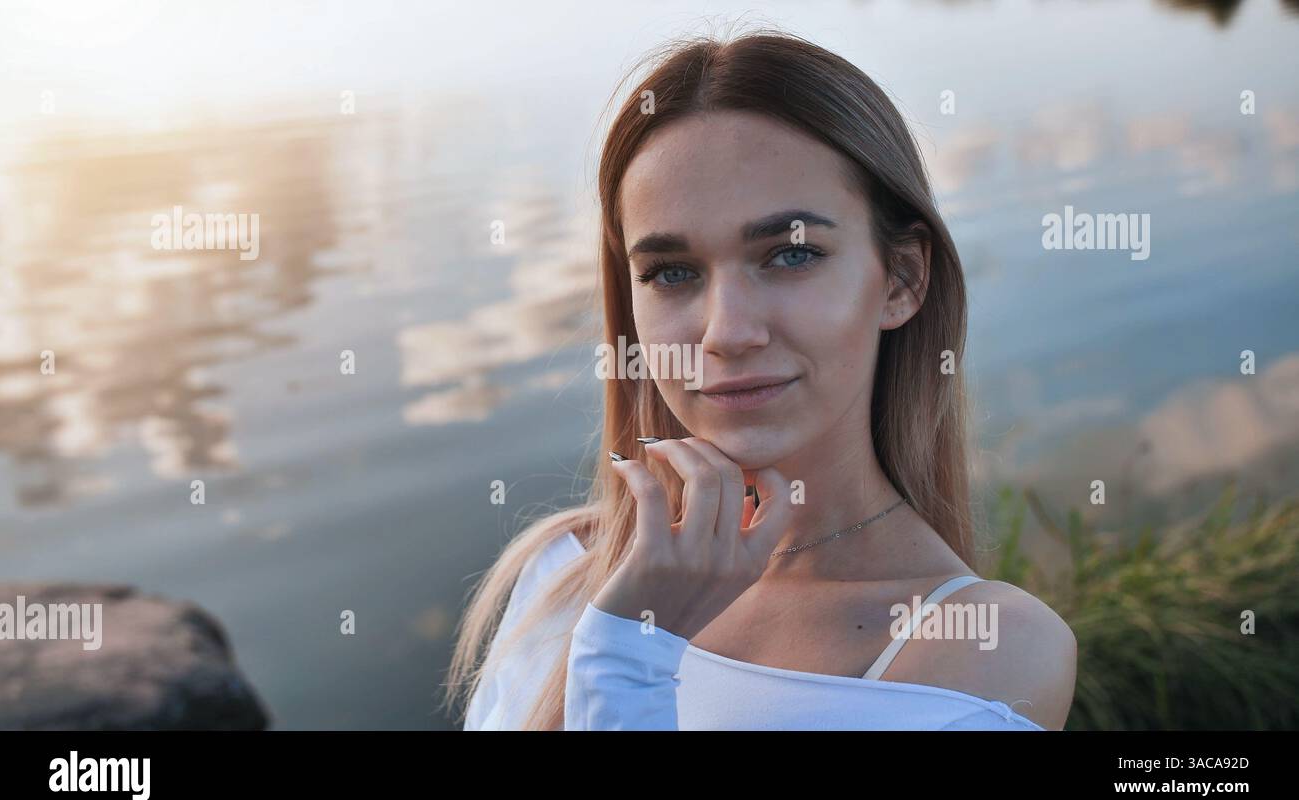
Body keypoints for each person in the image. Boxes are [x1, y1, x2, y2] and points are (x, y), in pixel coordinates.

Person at [447, 28, 1077, 731]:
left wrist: (626, 653)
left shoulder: (985, 653)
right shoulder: (564, 567)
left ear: (902, 279)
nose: (725, 331)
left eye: (790, 255)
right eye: (672, 272)